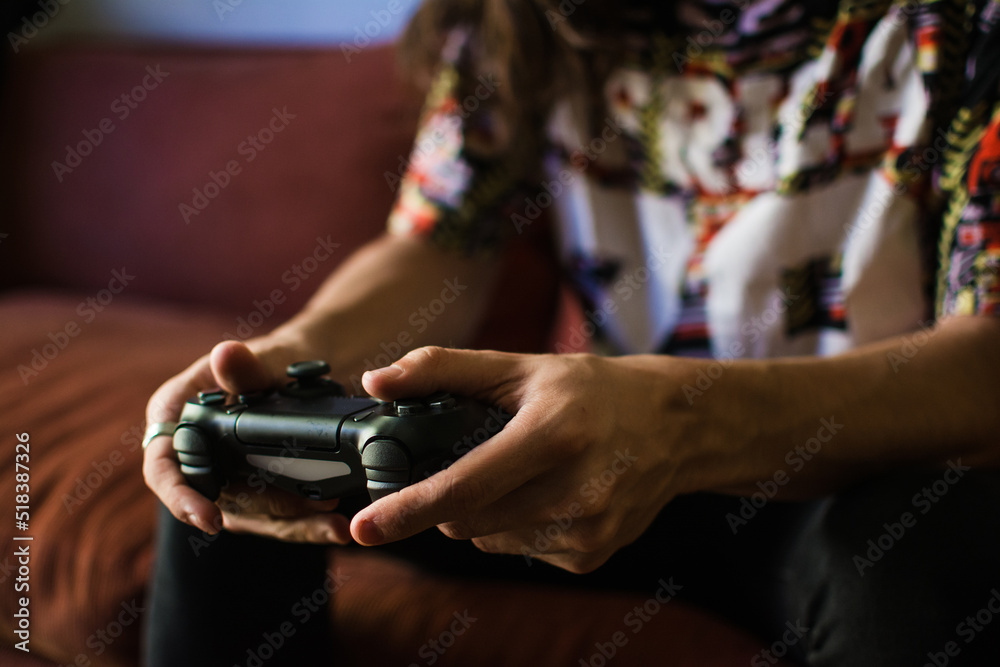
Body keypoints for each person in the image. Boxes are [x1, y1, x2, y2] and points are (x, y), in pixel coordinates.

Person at [142, 1, 1000, 665]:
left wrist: (681, 419)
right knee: (225, 452)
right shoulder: (528, 20)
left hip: (861, 473)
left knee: (908, 561)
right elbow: (438, 242)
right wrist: (286, 359)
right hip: (605, 453)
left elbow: (986, 362)